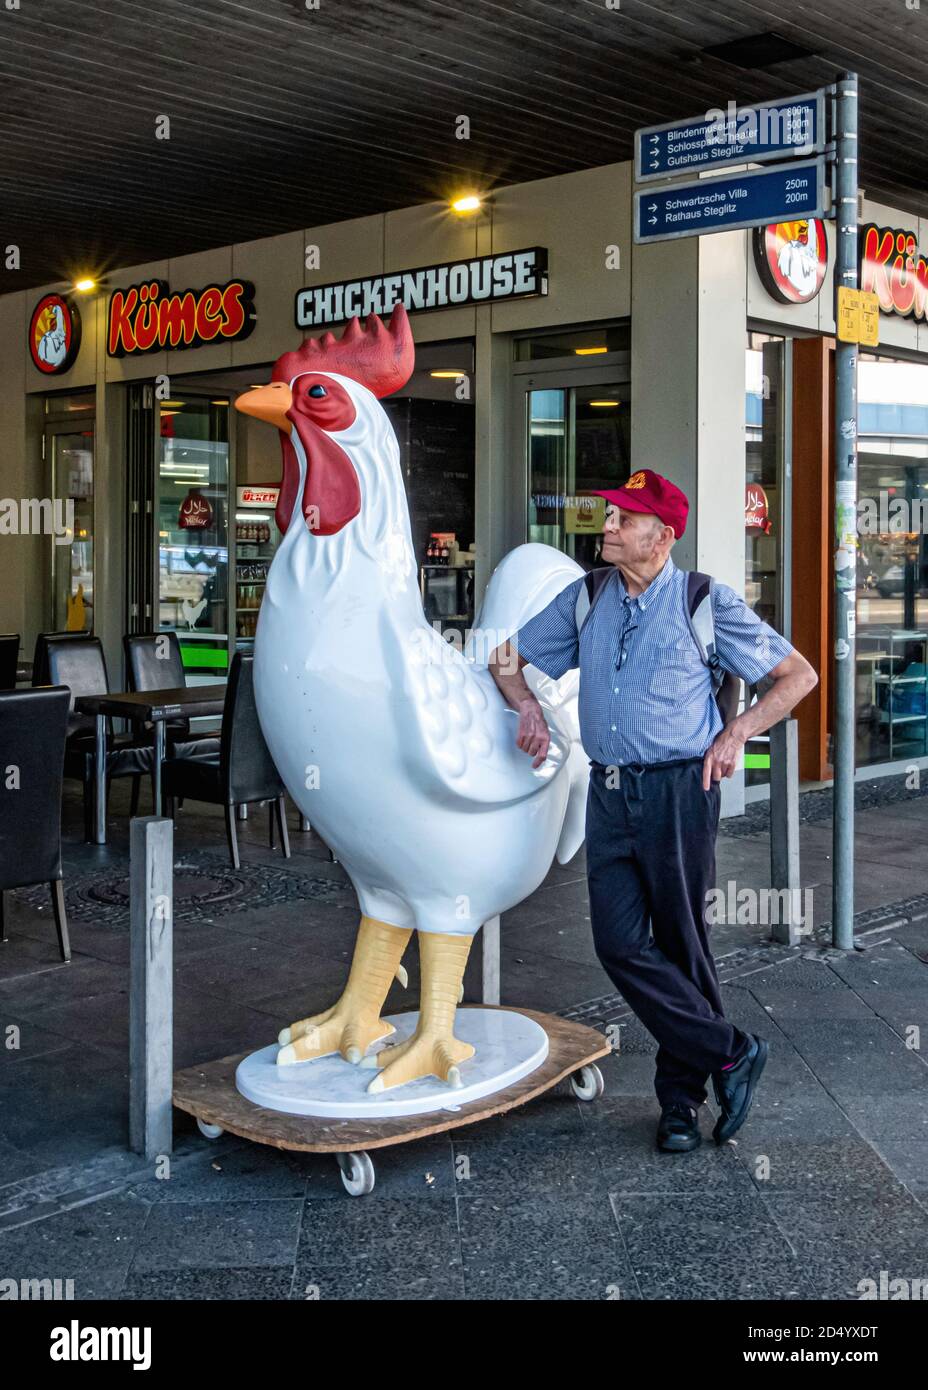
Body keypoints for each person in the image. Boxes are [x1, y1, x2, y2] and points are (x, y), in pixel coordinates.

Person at [488, 469, 818, 1153]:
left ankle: (679, 1104)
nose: (607, 526)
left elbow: (798, 676)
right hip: (609, 791)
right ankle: (730, 1050)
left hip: (677, 791)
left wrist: (736, 734)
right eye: (610, 514)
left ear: (661, 537)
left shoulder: (703, 601)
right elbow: (504, 657)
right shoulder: (586, 596)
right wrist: (526, 704)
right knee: (618, 943)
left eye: (623, 518)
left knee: (680, 944)